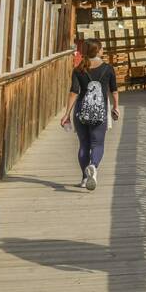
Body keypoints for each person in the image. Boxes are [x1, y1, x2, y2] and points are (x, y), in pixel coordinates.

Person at [60, 38, 119, 190]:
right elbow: (114, 90)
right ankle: (93, 165)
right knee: (97, 144)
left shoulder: (78, 69)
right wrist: (116, 107)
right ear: (98, 50)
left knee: (84, 145)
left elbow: (74, 92)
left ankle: (85, 179)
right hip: (99, 111)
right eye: (102, 48)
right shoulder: (108, 68)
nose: (103, 50)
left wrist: (67, 113)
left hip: (81, 111)